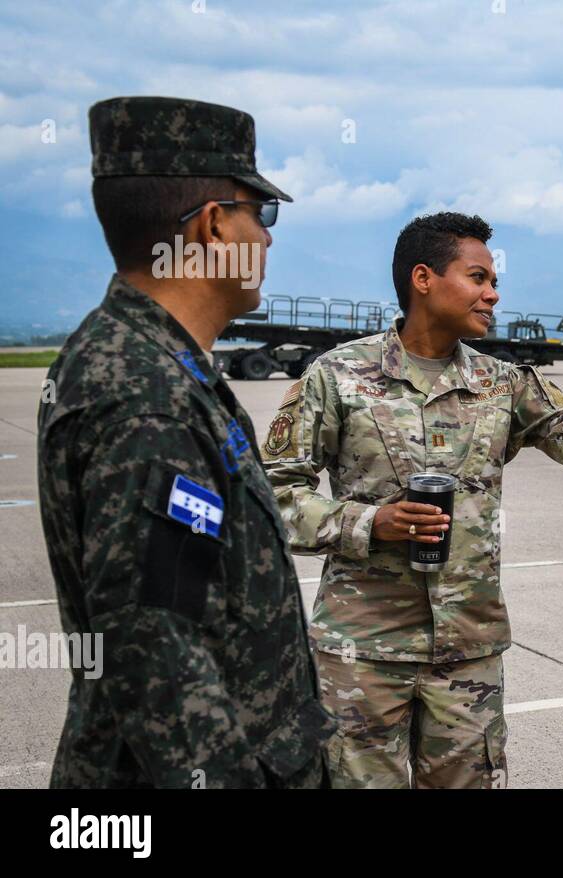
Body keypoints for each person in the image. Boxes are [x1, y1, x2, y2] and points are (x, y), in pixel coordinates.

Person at [263, 211, 563, 788]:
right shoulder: (338, 376)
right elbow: (273, 496)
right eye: (478, 277)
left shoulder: (503, 381)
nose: (493, 294)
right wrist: (372, 523)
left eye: (492, 281)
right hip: (363, 652)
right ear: (424, 279)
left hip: (467, 649)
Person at [36, 96, 333, 788]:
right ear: (212, 226)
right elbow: (155, 653)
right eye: (261, 214)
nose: (268, 238)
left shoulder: (156, 363)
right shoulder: (146, 397)